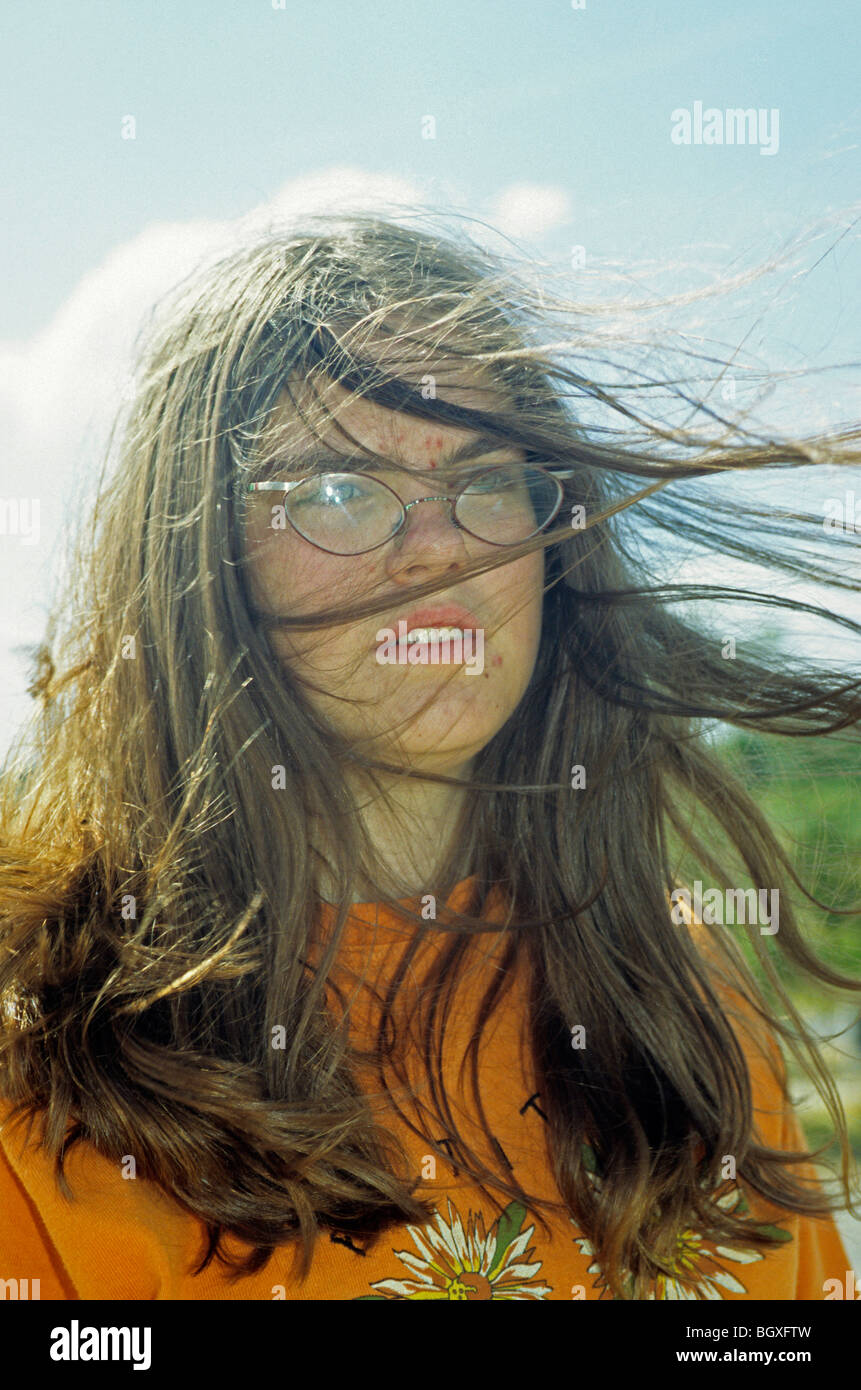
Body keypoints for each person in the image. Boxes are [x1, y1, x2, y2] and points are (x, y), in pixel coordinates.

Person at [0, 215, 858, 1301]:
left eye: (486, 476)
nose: (442, 542)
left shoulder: (687, 1004)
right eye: (338, 490)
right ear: (200, 569)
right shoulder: (41, 1082)